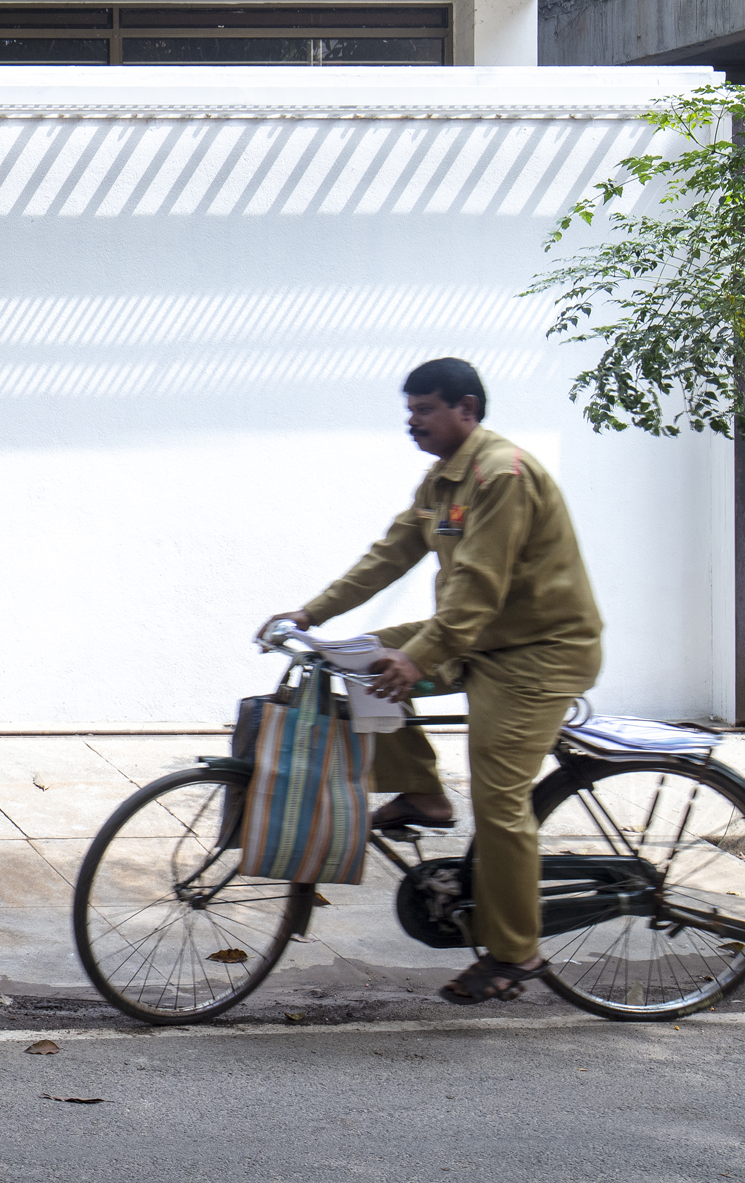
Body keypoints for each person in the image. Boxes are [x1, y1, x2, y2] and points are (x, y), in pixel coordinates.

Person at [263, 357, 603, 1006]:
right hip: (480, 636)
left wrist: (419, 657)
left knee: (500, 800)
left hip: (539, 651)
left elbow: (477, 585)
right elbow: (390, 552)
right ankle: (422, 794)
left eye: (423, 408)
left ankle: (514, 951)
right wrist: (312, 613)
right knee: (358, 657)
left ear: (466, 409)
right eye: (410, 408)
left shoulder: (501, 474)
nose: (410, 420)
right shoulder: (443, 480)